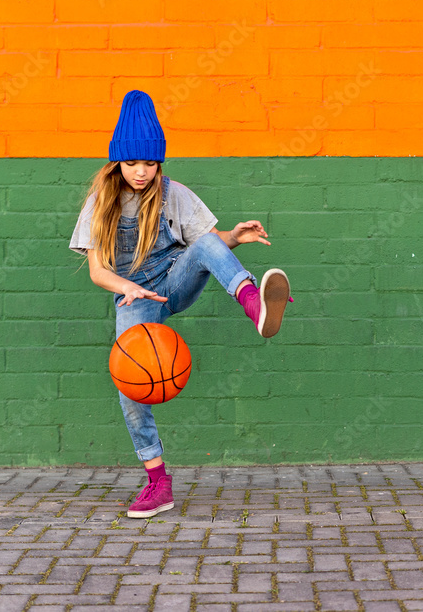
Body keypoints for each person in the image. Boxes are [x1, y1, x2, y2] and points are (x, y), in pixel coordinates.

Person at [69, 90, 292, 518]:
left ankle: (255, 306)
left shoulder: (173, 194)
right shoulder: (100, 203)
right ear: (117, 160)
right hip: (133, 297)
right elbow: (98, 271)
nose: (141, 171)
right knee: (129, 385)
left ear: (159, 163)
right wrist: (128, 288)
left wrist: (233, 237)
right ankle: (158, 484)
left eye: (150, 163)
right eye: (132, 162)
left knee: (209, 240)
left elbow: (202, 248)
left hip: (173, 282)